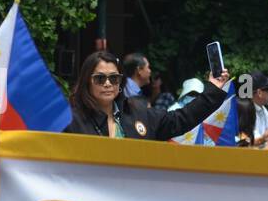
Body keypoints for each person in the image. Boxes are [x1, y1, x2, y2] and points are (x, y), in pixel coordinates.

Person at [63, 51, 229, 140]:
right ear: (87, 81)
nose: (107, 84)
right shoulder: (70, 120)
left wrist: (213, 90)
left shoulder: (138, 112)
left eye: (114, 78)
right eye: (100, 78)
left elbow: (181, 119)